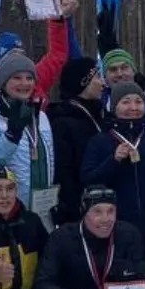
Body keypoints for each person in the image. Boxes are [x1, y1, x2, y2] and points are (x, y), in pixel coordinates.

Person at [79, 81, 145, 286]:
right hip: (115, 231)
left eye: (138, 101)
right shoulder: (100, 141)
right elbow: (88, 180)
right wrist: (113, 161)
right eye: (126, 102)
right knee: (120, 288)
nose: (133, 107)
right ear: (114, 106)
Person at [0, 51, 58, 219]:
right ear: (3, 82)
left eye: (29, 78)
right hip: (5, 210)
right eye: (17, 78)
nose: (24, 83)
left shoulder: (41, 116)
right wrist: (11, 137)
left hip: (41, 209)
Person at [47, 57, 107, 226]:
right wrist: (75, 207)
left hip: (104, 203)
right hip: (80, 208)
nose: (102, 83)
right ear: (84, 82)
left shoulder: (100, 114)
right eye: (97, 77)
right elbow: (64, 169)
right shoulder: (63, 120)